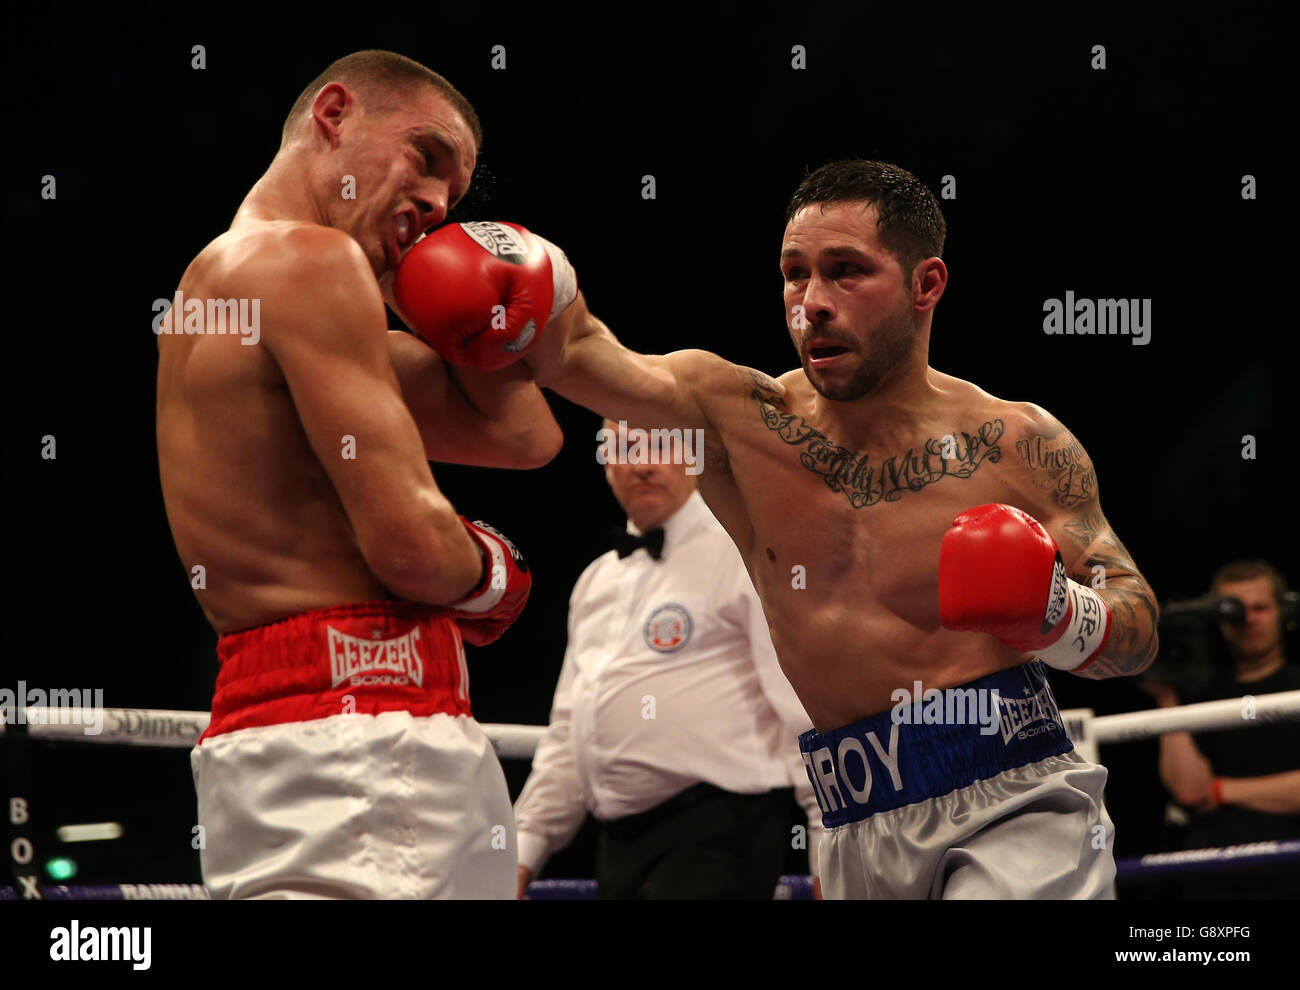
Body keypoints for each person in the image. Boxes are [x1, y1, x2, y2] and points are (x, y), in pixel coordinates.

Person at [501, 160, 1161, 898]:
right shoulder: (737, 420)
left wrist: (1057, 613)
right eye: (795, 274)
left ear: (926, 285)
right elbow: (577, 355)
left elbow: (1136, 633)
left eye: (846, 271)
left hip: (1012, 798)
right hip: (855, 826)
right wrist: (521, 268)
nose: (811, 303)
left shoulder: (1016, 444)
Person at [156, 50, 568, 898]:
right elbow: (415, 553)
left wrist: (424, 289)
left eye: (455, 194)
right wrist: (496, 570)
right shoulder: (307, 263)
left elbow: (526, 435)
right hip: (366, 731)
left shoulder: (228, 291)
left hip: (288, 734)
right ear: (334, 114)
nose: (440, 202)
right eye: (426, 155)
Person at [514, 421, 822, 899]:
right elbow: (568, 734)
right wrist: (522, 851)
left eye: (659, 444)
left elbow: (802, 709)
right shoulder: (595, 581)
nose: (642, 464)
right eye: (624, 447)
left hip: (720, 832)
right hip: (617, 841)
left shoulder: (742, 553)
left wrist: (827, 841)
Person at [1145, 559, 1300, 898]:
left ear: (1284, 612)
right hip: (1212, 876)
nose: (1249, 620)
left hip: (1291, 869)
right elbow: (1189, 791)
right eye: (1235, 611)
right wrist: (1167, 697)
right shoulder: (1199, 694)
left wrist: (1219, 790)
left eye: (1260, 608)